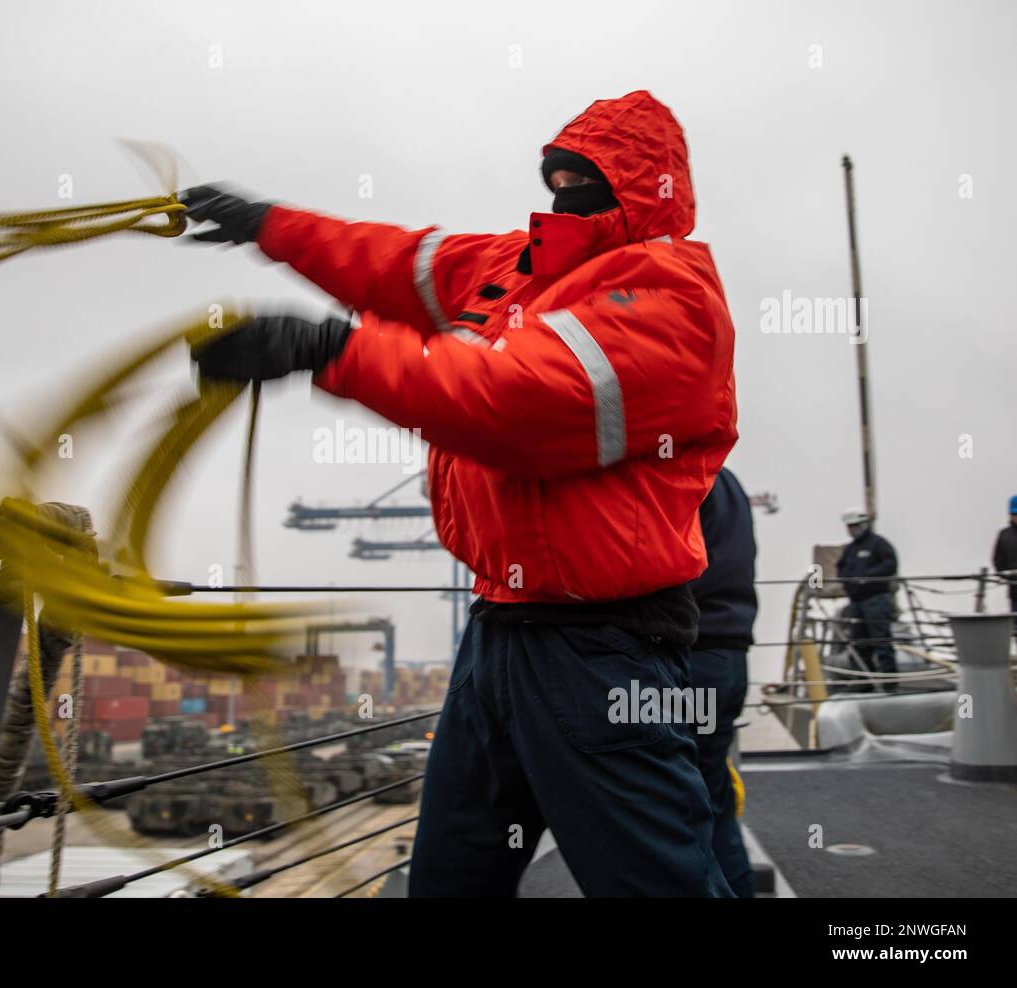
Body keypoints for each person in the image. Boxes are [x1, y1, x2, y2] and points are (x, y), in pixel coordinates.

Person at [185, 90, 738, 896]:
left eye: (581, 179)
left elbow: (515, 405)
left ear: (639, 188)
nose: (560, 193)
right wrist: (267, 224)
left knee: (657, 882)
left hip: (598, 650)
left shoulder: (671, 299)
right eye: (554, 176)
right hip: (499, 635)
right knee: (451, 876)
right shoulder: (520, 266)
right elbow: (395, 260)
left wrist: (330, 349)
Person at [688, 467, 757, 898]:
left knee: (682, 804)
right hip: (728, 656)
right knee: (713, 799)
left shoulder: (686, 476)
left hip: (693, 656)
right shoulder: (728, 481)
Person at [836, 507, 899, 688]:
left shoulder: (878, 544)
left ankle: (890, 684)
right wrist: (849, 582)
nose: (852, 529)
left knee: (881, 641)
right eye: (849, 526)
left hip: (876, 600)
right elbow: (841, 568)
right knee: (860, 643)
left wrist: (867, 577)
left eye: (854, 525)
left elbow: (890, 565)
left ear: (863, 524)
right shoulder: (851, 549)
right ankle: (864, 682)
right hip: (856, 602)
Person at [992, 495, 1017, 622]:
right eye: (1015, 514)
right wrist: (1007, 576)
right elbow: (997, 560)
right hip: (1015, 591)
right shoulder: (1004, 535)